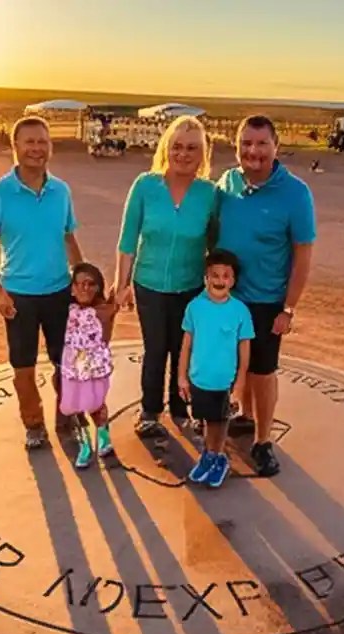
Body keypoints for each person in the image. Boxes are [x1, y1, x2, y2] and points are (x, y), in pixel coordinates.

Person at [0, 116, 86, 450]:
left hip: (59, 291)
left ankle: (67, 417)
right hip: (19, 297)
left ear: (50, 147)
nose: (37, 149)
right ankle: (33, 424)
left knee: (65, 361)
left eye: (42, 142)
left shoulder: (61, 191)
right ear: (16, 147)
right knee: (23, 367)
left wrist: (81, 280)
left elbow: (68, 237)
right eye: (30, 142)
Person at [212, 115, 317, 477]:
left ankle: (262, 440)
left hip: (266, 300)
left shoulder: (296, 193)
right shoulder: (226, 182)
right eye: (245, 143)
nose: (252, 152)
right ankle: (244, 416)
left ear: (275, 145)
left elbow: (303, 253)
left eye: (260, 144)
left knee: (261, 371)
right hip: (227, 297)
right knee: (231, 365)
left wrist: (289, 307)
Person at [112, 116, 218, 437]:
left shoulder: (210, 194)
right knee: (156, 348)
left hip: (190, 287)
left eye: (191, 148)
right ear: (166, 148)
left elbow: (216, 245)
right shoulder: (145, 186)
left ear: (202, 154)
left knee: (183, 348)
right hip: (150, 284)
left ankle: (180, 408)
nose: (183, 154)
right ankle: (150, 410)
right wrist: (122, 284)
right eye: (177, 147)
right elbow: (127, 240)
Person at [178, 249, 254, 489]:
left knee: (220, 422)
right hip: (200, 378)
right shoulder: (194, 307)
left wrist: (240, 385)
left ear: (233, 281)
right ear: (206, 277)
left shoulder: (240, 311)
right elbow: (186, 345)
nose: (220, 281)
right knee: (207, 418)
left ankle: (216, 456)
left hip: (225, 381)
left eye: (226, 276)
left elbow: (244, 350)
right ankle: (211, 455)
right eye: (215, 275)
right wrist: (182, 376)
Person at [59, 262, 118, 469]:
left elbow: (120, 292)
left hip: (95, 368)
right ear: (72, 288)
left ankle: (103, 435)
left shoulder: (105, 310)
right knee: (76, 407)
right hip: (73, 369)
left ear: (98, 287)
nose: (85, 288)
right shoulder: (66, 310)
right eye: (80, 284)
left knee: (97, 403)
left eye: (91, 283)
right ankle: (84, 443)